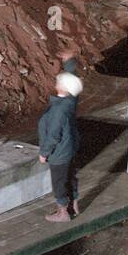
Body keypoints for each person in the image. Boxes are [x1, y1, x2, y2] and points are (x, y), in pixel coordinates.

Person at [38, 71, 83, 222]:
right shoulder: (70, 101)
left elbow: (53, 135)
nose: (56, 82)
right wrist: (70, 64)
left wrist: (44, 153)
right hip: (69, 149)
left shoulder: (58, 110)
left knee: (58, 183)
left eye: (60, 81)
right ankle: (73, 205)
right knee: (70, 177)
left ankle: (62, 213)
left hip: (59, 153)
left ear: (64, 88)